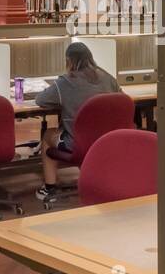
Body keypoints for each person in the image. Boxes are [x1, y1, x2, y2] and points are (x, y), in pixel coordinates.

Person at [34, 42, 120, 202]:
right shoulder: (108, 78)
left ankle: (49, 189)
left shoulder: (65, 82)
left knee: (47, 135)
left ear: (69, 61)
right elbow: (122, 98)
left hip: (77, 143)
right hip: (107, 140)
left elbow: (40, 100)